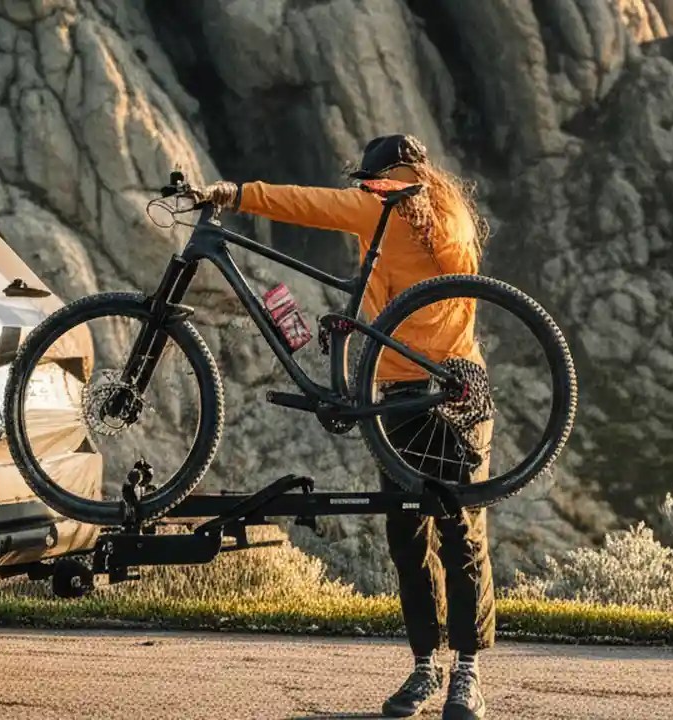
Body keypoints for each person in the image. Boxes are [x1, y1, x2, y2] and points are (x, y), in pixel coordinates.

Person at [193, 135, 494, 720]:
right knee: (410, 538)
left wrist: (234, 195)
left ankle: (468, 674)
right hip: (397, 395)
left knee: (459, 532)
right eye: (368, 185)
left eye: (380, 183)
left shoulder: (429, 213)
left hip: (451, 386)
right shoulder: (392, 214)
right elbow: (320, 207)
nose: (369, 192)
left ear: (408, 177)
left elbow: (308, 204)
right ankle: (426, 669)